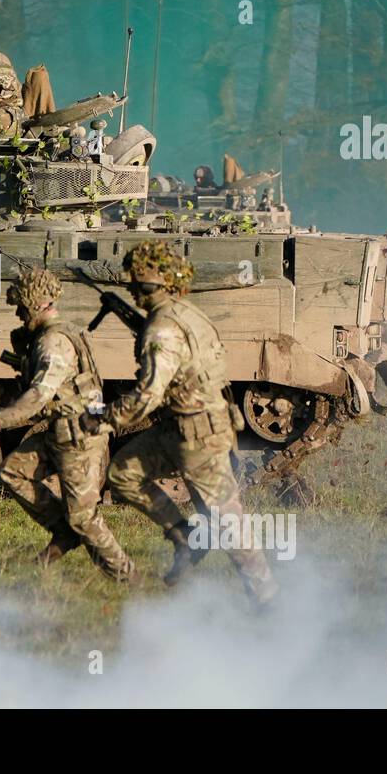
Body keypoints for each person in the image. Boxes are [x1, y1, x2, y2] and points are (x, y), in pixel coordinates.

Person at [85, 240, 278, 608]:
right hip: (182, 426)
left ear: (151, 286)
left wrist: (102, 418)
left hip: (199, 435)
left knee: (225, 517)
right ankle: (183, 535)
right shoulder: (185, 313)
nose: (133, 290)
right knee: (123, 472)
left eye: (137, 285)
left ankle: (265, 596)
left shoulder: (162, 329)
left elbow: (148, 395)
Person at [0, 267, 136, 582]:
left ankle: (126, 576)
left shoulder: (52, 342)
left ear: (36, 304)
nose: (20, 315)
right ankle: (63, 534)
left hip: (79, 439)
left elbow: (40, 394)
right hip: (60, 432)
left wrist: (0, 419)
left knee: (84, 518)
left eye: (22, 308)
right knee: (13, 471)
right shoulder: (55, 334)